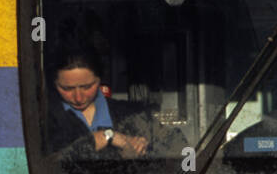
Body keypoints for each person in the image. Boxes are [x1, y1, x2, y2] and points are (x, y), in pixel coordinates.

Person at [45, 50, 183, 165]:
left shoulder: (134, 115)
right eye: (67, 89)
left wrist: (143, 152)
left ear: (99, 80)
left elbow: (180, 149)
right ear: (54, 84)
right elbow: (45, 168)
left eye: (87, 87)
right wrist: (104, 137)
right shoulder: (45, 120)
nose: (78, 97)